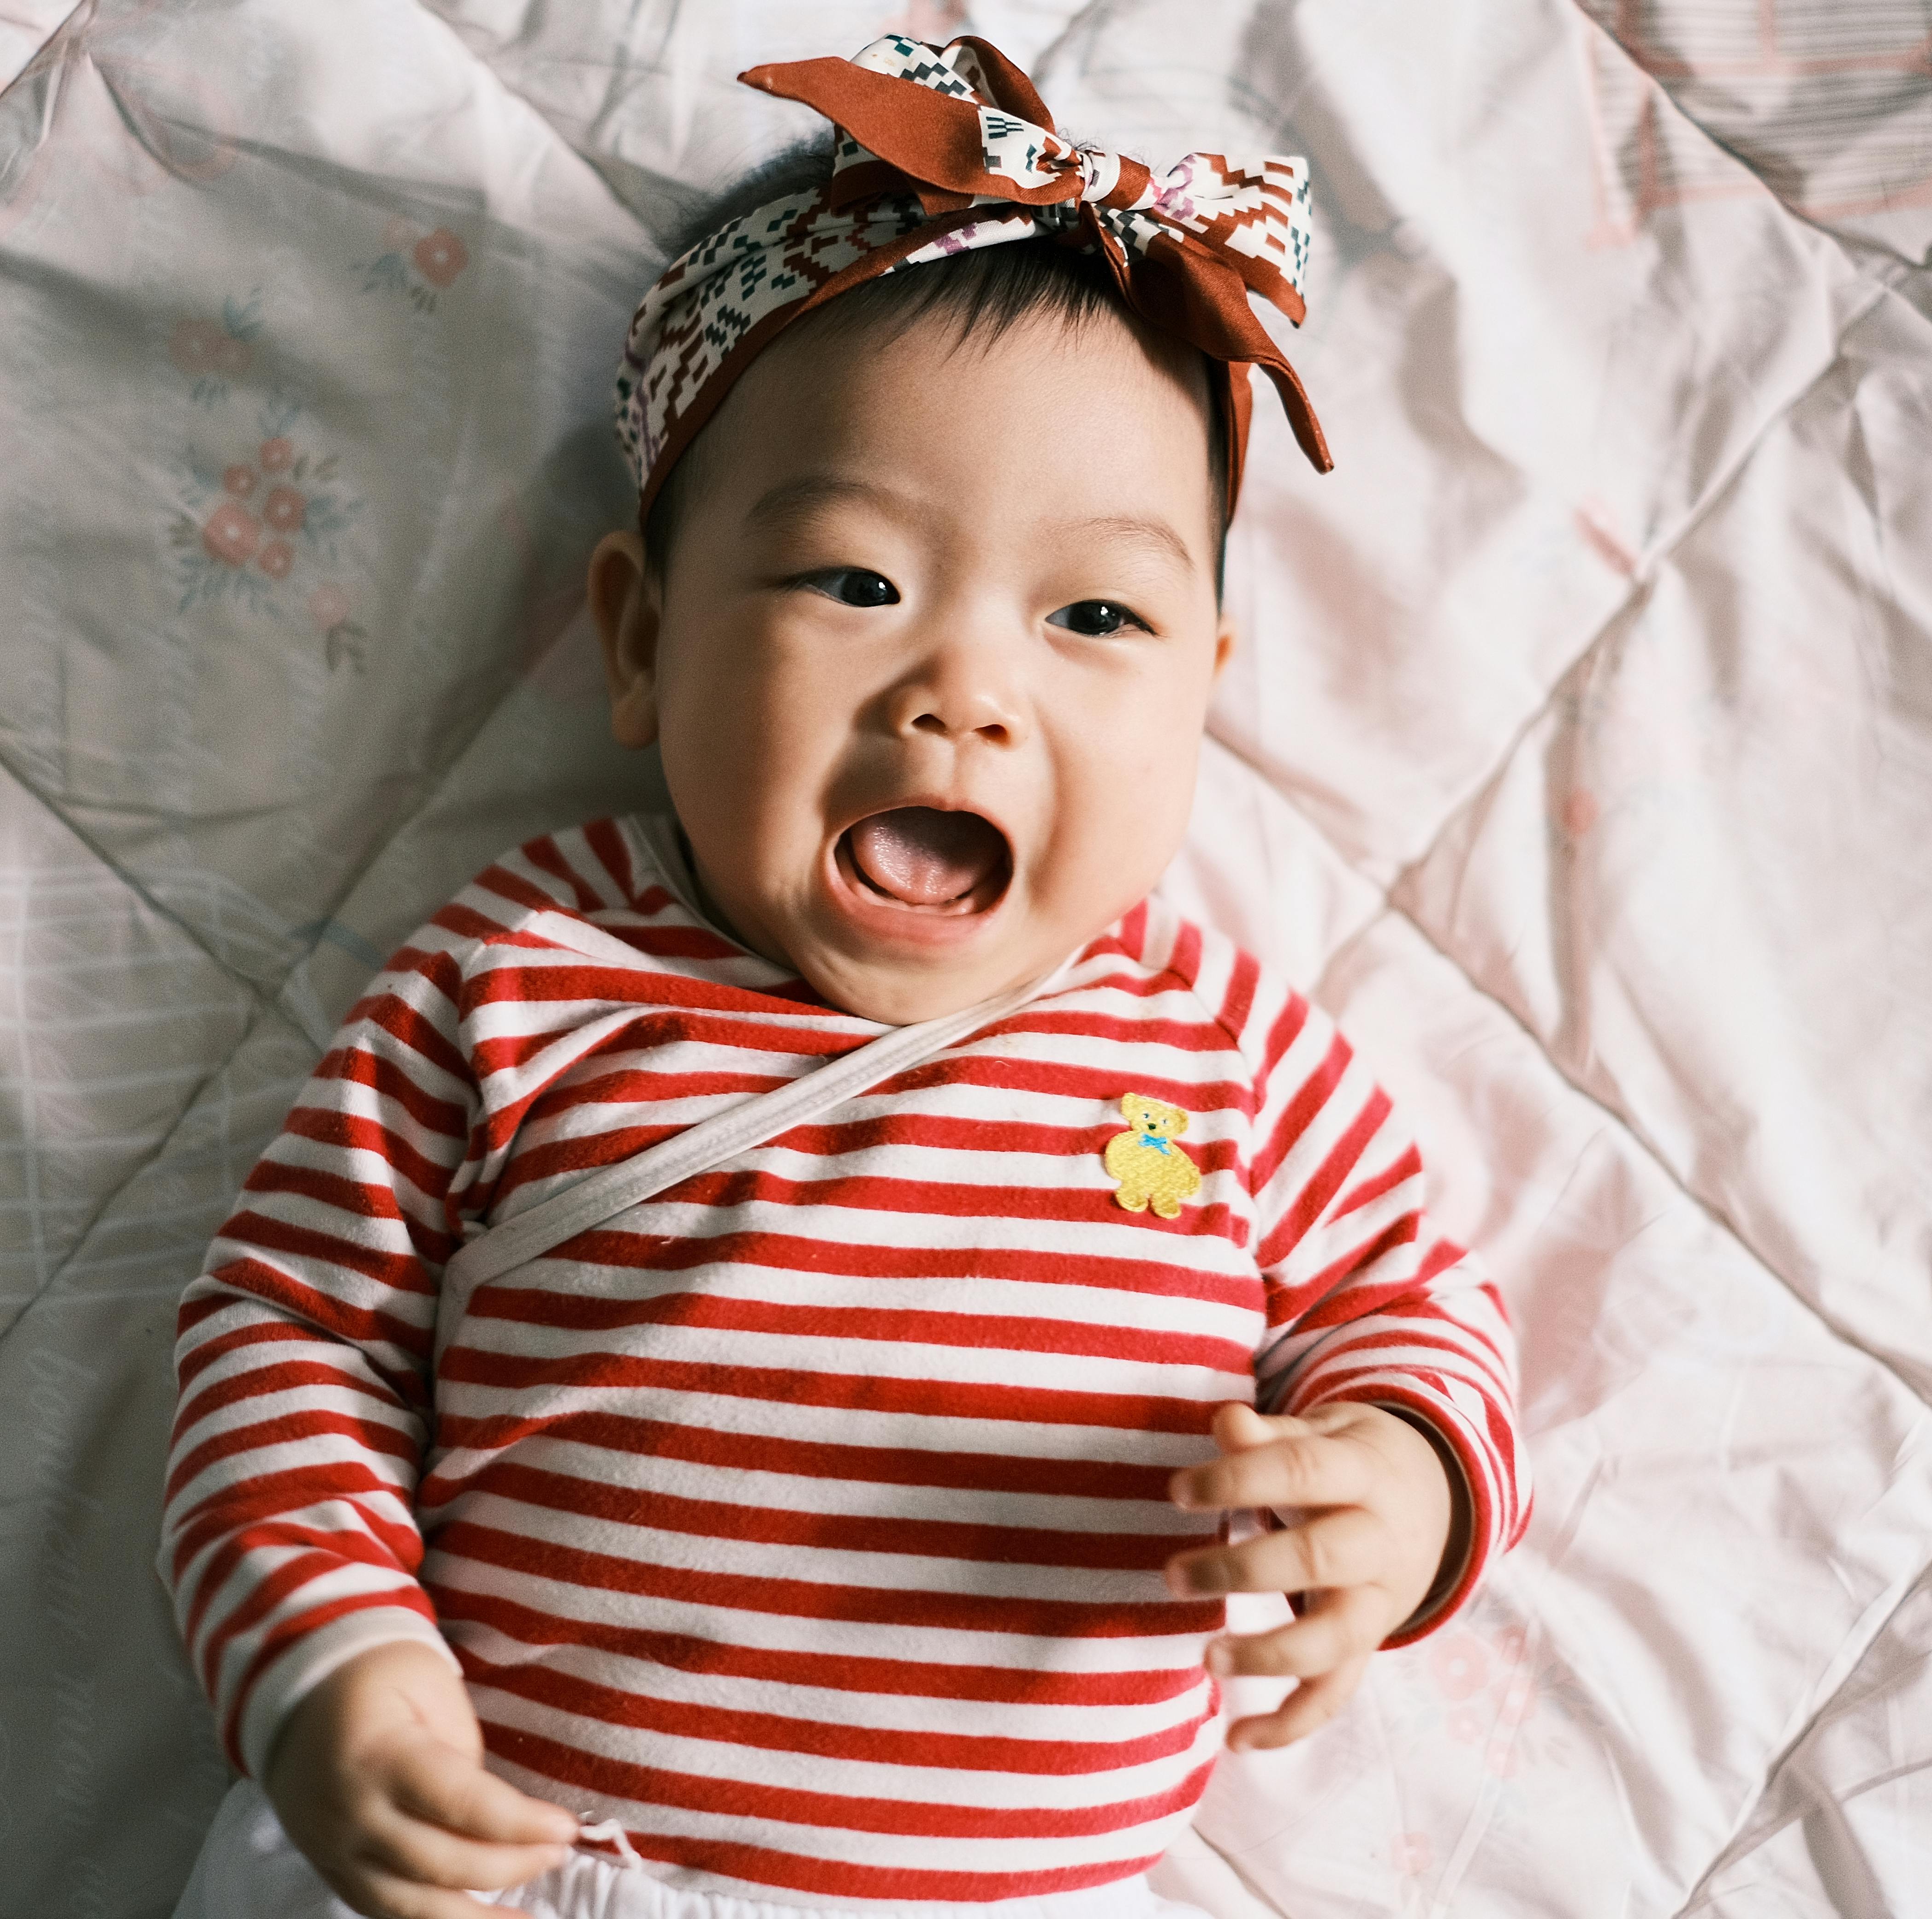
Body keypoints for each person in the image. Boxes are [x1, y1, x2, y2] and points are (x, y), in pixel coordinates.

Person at [164, 33, 1526, 1919]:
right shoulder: (526, 973)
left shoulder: (1218, 1048)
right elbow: (287, 1336)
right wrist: (328, 1665)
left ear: (1203, 689)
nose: (963, 688)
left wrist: (1399, 1481)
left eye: (1095, 616)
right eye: (856, 583)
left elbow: (1411, 1298)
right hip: (521, 1864)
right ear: (641, 643)